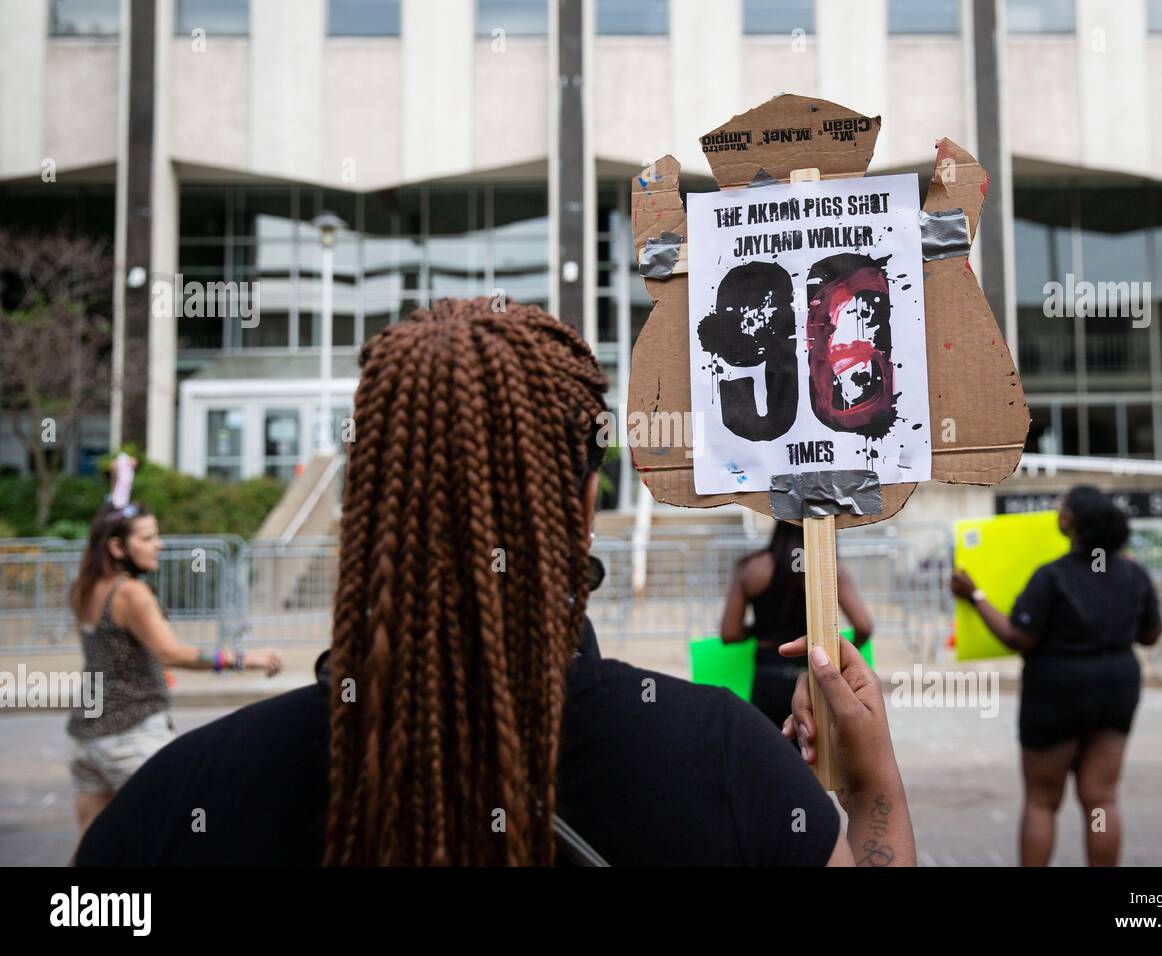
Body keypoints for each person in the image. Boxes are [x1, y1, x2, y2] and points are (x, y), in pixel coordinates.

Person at [74, 298, 915, 867]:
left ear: (366, 501)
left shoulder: (181, 800)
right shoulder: (726, 763)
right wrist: (870, 781)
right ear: (584, 505)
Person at [948, 486, 1162, 866]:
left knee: (1042, 801)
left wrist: (976, 596)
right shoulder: (1133, 572)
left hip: (1056, 690)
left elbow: (1019, 637)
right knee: (1102, 799)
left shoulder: (1052, 577)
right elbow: (1150, 635)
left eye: (1061, 509)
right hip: (1117, 686)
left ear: (1070, 522)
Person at [66, 466, 284, 836]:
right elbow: (172, 652)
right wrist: (245, 658)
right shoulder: (131, 593)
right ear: (118, 548)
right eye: (148, 538)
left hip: (88, 737)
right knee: (177, 833)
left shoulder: (85, 587)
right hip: (131, 735)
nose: (159, 545)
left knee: (92, 843)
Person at [720, 520, 874, 728]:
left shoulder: (751, 568)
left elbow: (729, 633)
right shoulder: (827, 569)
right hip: (813, 675)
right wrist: (840, 658)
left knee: (769, 753)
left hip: (767, 677)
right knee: (812, 755)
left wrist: (758, 628)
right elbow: (863, 626)